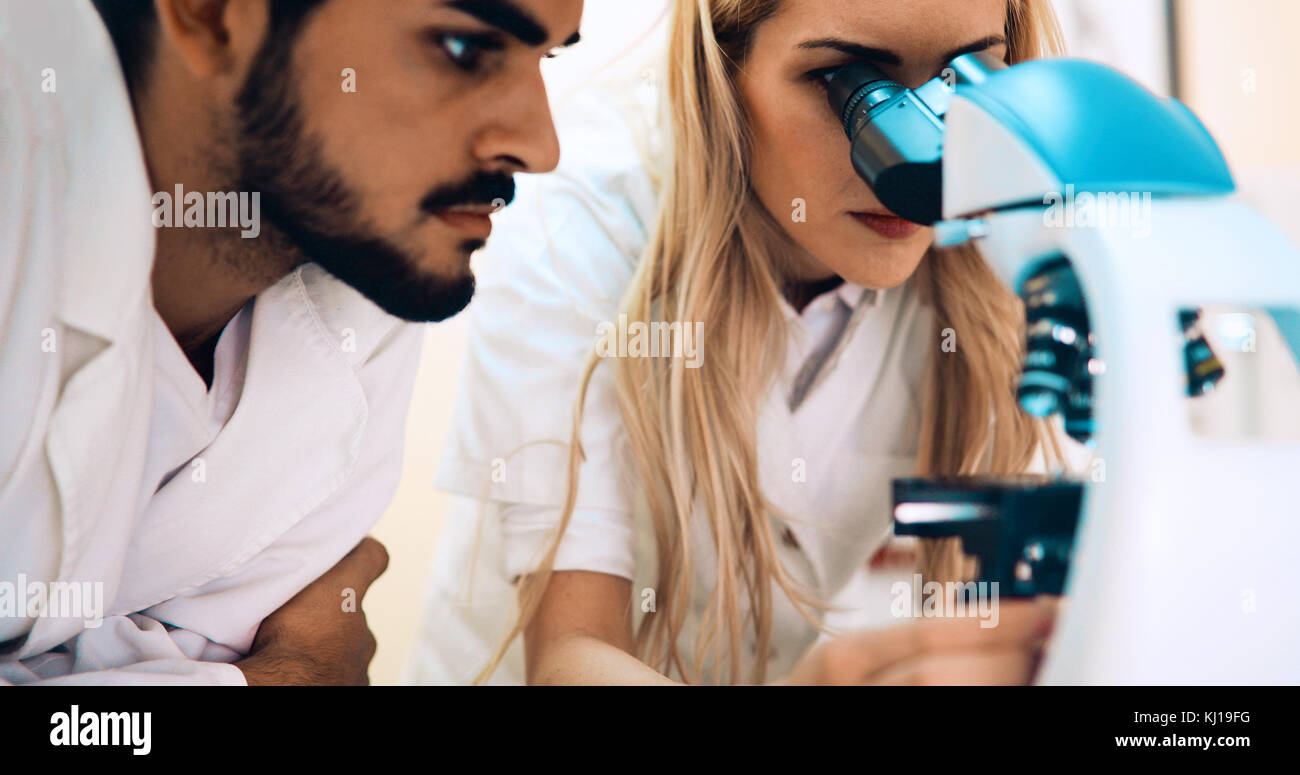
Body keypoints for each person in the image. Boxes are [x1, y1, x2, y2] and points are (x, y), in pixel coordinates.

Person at [410, 0, 1092, 685]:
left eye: (960, 79)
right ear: (725, 72)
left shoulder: (995, 245)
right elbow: (569, 656)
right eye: (849, 84)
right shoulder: (579, 217)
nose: (917, 163)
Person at [0, 0, 581, 684]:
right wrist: (287, 674)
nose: (541, 147)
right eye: (463, 49)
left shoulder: (366, 271)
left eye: (545, 59)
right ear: (210, 16)